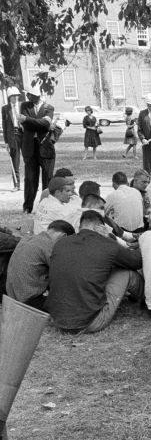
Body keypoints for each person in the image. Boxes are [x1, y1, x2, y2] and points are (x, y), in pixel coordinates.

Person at [48, 210, 143, 333]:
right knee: (127, 273)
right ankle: (150, 302)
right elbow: (135, 262)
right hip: (89, 322)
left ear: (80, 227)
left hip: (58, 319)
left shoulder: (61, 243)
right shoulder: (107, 244)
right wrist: (110, 238)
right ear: (101, 227)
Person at [6, 219, 75, 308]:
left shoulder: (27, 239)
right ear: (64, 237)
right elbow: (64, 271)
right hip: (28, 300)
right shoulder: (50, 245)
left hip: (12, 296)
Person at [20, 84, 54, 213]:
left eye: (29, 94)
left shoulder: (48, 107)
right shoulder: (24, 106)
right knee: (30, 178)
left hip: (45, 147)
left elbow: (46, 124)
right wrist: (39, 123)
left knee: (48, 178)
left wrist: (28, 120)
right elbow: (26, 125)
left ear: (36, 96)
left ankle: (46, 207)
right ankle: (27, 207)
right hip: (29, 147)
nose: (27, 96)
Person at [2, 86, 23, 190]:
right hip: (12, 136)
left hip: (23, 135)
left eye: (17, 96)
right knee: (15, 160)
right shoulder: (5, 109)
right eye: (13, 96)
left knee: (29, 159)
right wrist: (6, 141)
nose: (15, 98)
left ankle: (31, 183)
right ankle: (16, 184)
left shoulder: (22, 106)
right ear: (9, 97)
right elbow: (5, 126)